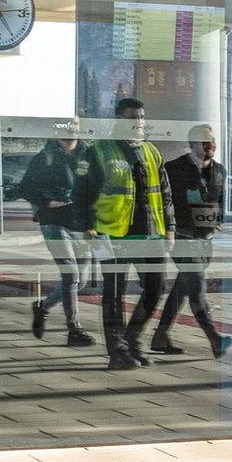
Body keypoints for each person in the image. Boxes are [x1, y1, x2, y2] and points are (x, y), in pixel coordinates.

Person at [74, 97, 174, 372]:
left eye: (141, 117)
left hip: (150, 234)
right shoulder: (99, 151)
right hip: (111, 233)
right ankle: (117, 351)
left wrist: (170, 228)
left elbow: (165, 194)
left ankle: (133, 338)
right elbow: (81, 193)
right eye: (132, 117)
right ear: (118, 120)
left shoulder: (151, 151)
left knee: (156, 288)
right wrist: (88, 228)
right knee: (114, 294)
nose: (138, 122)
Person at [156, 124, 232, 360]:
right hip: (183, 238)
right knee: (197, 289)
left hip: (205, 240)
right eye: (205, 142)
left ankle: (160, 336)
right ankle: (214, 339)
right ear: (193, 144)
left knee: (183, 287)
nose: (211, 146)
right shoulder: (174, 169)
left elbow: (219, 200)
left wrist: (218, 221)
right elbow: (165, 201)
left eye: (213, 141)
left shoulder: (219, 170)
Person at [17, 129, 93, 349]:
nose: (71, 129)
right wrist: (48, 202)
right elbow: (25, 188)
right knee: (71, 275)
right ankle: (74, 329)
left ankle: (43, 307)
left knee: (81, 281)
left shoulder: (88, 154)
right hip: (54, 222)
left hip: (81, 223)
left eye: (74, 124)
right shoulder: (46, 156)